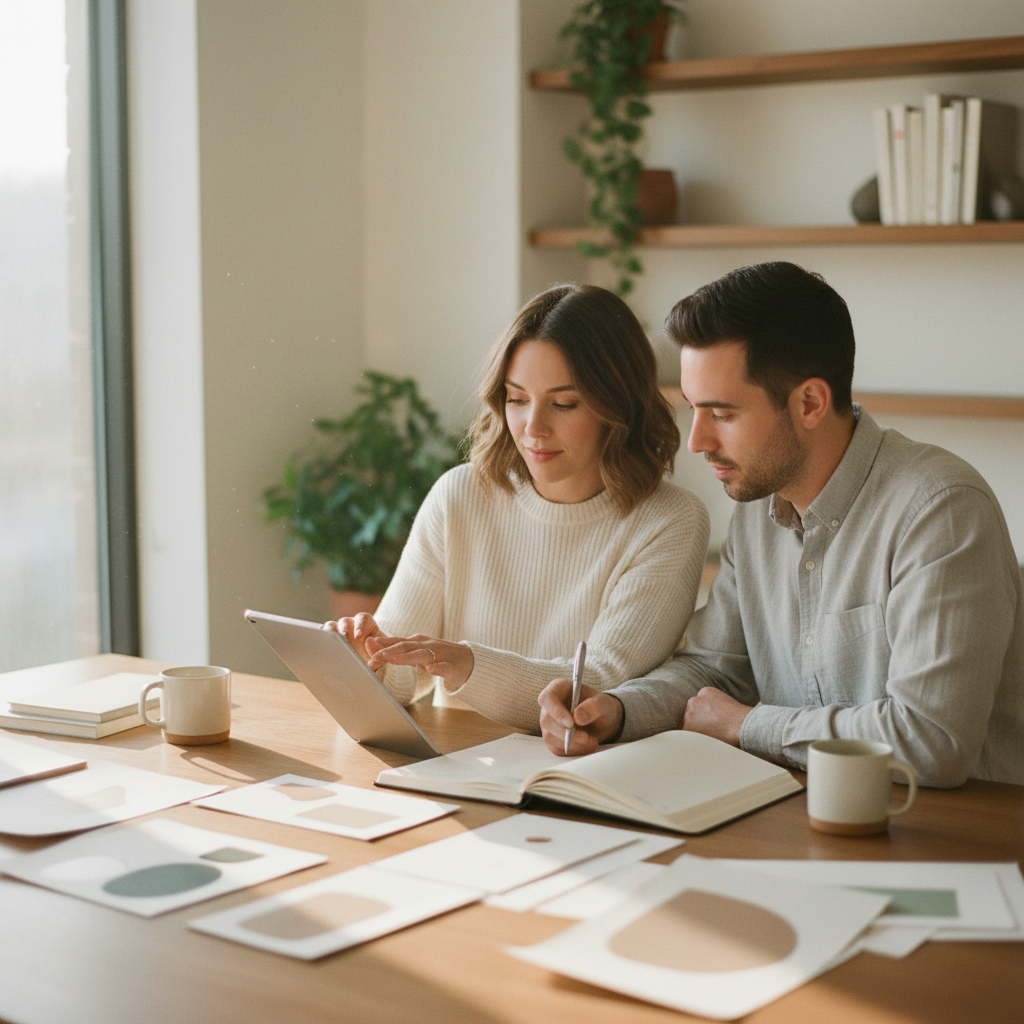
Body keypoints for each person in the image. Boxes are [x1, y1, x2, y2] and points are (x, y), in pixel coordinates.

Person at [539, 262, 1024, 788]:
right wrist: (617, 709)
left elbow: (931, 741)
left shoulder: (941, 511)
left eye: (722, 414)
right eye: (694, 409)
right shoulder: (757, 510)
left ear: (810, 403)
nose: (697, 441)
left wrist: (747, 726)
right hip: (800, 813)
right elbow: (713, 670)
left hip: (950, 826)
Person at [330, 283, 710, 732]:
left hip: (575, 767)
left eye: (564, 403)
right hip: (458, 758)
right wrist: (366, 655)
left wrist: (468, 664)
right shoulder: (458, 496)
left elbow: (600, 684)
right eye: (516, 398)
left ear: (620, 405)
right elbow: (400, 675)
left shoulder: (671, 521)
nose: (533, 427)